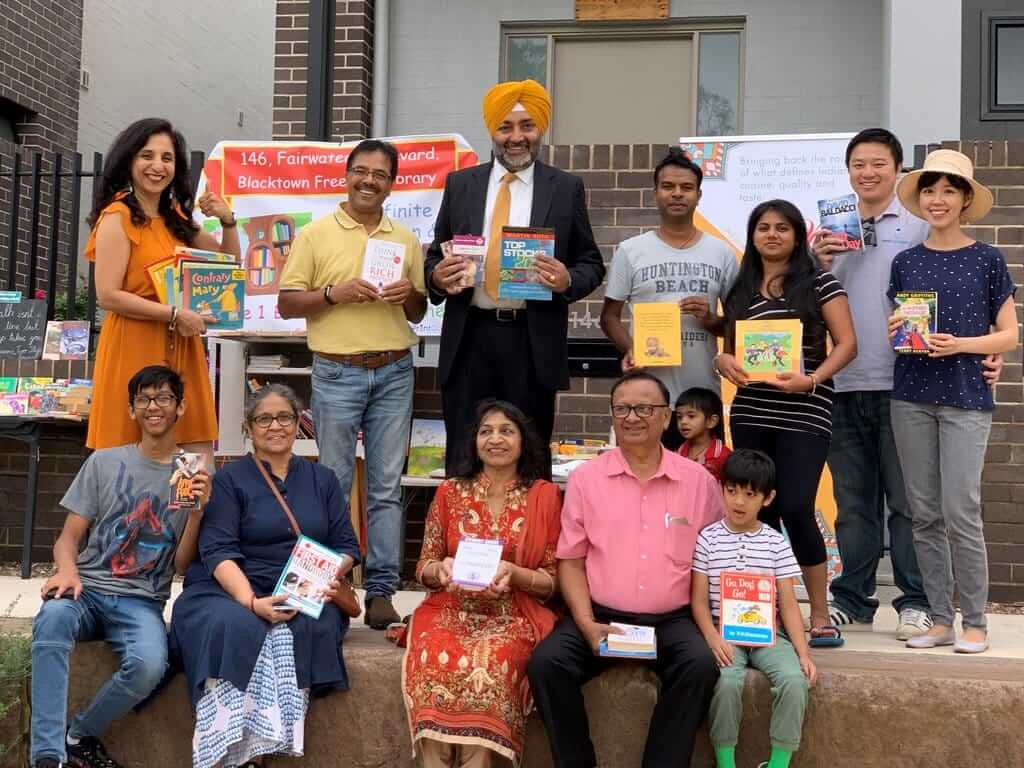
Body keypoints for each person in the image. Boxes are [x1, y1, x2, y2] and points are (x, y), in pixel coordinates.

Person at [811, 128, 1003, 640]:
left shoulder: (920, 226)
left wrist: (987, 353)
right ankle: (853, 596)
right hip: (842, 380)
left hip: (907, 382)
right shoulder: (827, 231)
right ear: (848, 171)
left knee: (909, 502)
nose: (867, 172)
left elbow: (964, 294)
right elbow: (812, 305)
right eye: (858, 164)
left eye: (878, 163)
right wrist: (819, 262)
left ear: (897, 172)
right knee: (853, 501)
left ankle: (916, 600)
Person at [527, 370, 724, 768]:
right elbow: (571, 559)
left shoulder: (698, 481)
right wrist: (585, 623)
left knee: (701, 666)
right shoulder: (586, 479)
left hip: (673, 619)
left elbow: (715, 553)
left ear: (666, 417)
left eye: (644, 408)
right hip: (601, 615)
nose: (632, 417)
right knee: (546, 665)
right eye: (622, 409)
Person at [170, 384, 362, 767]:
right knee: (235, 627)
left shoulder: (322, 479)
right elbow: (218, 551)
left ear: (298, 424)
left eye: (284, 417)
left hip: (302, 584)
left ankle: (263, 746)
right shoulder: (228, 479)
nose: (275, 426)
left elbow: (348, 547)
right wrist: (251, 602)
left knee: (303, 629)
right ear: (249, 427)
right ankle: (227, 752)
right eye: (264, 419)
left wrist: (323, 575)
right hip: (231, 587)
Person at [277, 139, 426, 629]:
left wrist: (409, 296)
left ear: (392, 183)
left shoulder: (404, 238)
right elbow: (286, 303)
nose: (369, 181)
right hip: (336, 370)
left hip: (394, 369)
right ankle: (328, 587)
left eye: (380, 174)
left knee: (385, 487)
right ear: (346, 175)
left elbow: (420, 310)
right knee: (332, 485)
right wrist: (333, 294)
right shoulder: (317, 235)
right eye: (360, 171)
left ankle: (381, 590)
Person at [30, 365, 211, 768]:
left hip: (141, 601)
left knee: (149, 666)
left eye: (163, 397)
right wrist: (66, 569)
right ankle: (46, 756)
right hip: (87, 589)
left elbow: (181, 565)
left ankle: (79, 734)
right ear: (131, 410)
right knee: (52, 620)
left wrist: (198, 513)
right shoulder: (105, 463)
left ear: (179, 407)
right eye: (144, 399)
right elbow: (67, 538)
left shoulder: (192, 473)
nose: (153, 406)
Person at [425, 79, 605, 474]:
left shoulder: (565, 188)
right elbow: (434, 257)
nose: (516, 137)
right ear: (492, 130)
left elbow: (591, 263)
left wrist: (567, 280)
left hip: (531, 340)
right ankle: (466, 537)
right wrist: (438, 277)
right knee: (465, 456)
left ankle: (529, 537)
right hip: (469, 337)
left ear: (540, 129)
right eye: (506, 127)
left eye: (527, 126)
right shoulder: (460, 184)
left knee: (530, 457)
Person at [886, 150, 1018, 654]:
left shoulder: (987, 259)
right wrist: (897, 328)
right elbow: (898, 332)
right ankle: (940, 620)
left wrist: (962, 344)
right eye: (929, 190)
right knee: (923, 513)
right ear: (919, 200)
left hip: (966, 399)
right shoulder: (905, 262)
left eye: (948, 191)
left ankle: (976, 623)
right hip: (911, 397)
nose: (937, 200)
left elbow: (1008, 336)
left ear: (965, 200)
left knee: (961, 510)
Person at [716, 200, 857, 648]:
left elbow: (848, 344)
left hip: (804, 409)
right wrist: (722, 359)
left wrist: (811, 379)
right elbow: (730, 347)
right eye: (763, 227)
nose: (771, 235)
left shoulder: (819, 281)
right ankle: (766, 611)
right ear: (752, 235)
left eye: (781, 228)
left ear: (798, 236)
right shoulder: (740, 288)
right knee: (762, 510)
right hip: (751, 410)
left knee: (796, 506)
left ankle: (818, 612)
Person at [403, 400, 561, 767]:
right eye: (486, 431)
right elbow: (423, 565)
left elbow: (553, 580)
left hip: (513, 616)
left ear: (523, 441)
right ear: (474, 441)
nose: (496, 440)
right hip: (450, 609)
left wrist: (515, 574)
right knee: (429, 659)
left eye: (507, 431)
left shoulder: (544, 497)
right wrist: (439, 570)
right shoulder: (450, 493)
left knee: (492, 665)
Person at [86, 118, 240, 469]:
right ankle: (128, 524)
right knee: (128, 452)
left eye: (167, 158)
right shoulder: (117, 217)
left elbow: (228, 268)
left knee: (193, 456)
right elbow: (108, 295)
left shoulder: (176, 217)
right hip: (134, 345)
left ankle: (187, 524)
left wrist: (228, 222)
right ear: (129, 161)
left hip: (181, 347)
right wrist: (173, 314)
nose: (157, 166)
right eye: (147, 156)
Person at [692, 449, 817, 768]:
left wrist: (802, 653)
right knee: (727, 681)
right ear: (721, 488)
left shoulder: (776, 543)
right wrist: (711, 637)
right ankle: (725, 761)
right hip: (724, 632)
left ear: (767, 498)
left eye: (749, 494)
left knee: (794, 680)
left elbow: (788, 604)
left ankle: (778, 762)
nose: (738, 501)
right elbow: (699, 600)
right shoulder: (708, 539)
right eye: (731, 490)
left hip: (768, 633)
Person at [601, 148, 739, 404]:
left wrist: (709, 319)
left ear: (698, 196)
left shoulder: (722, 253)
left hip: (702, 395)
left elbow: (737, 322)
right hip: (647, 394)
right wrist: (632, 348)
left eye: (686, 187)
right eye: (668, 186)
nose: (677, 193)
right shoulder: (631, 251)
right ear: (655, 193)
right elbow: (609, 317)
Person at [674, 387, 731, 483]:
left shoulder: (723, 456)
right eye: (679, 417)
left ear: (711, 421)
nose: (683, 421)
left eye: (691, 416)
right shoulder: (678, 453)